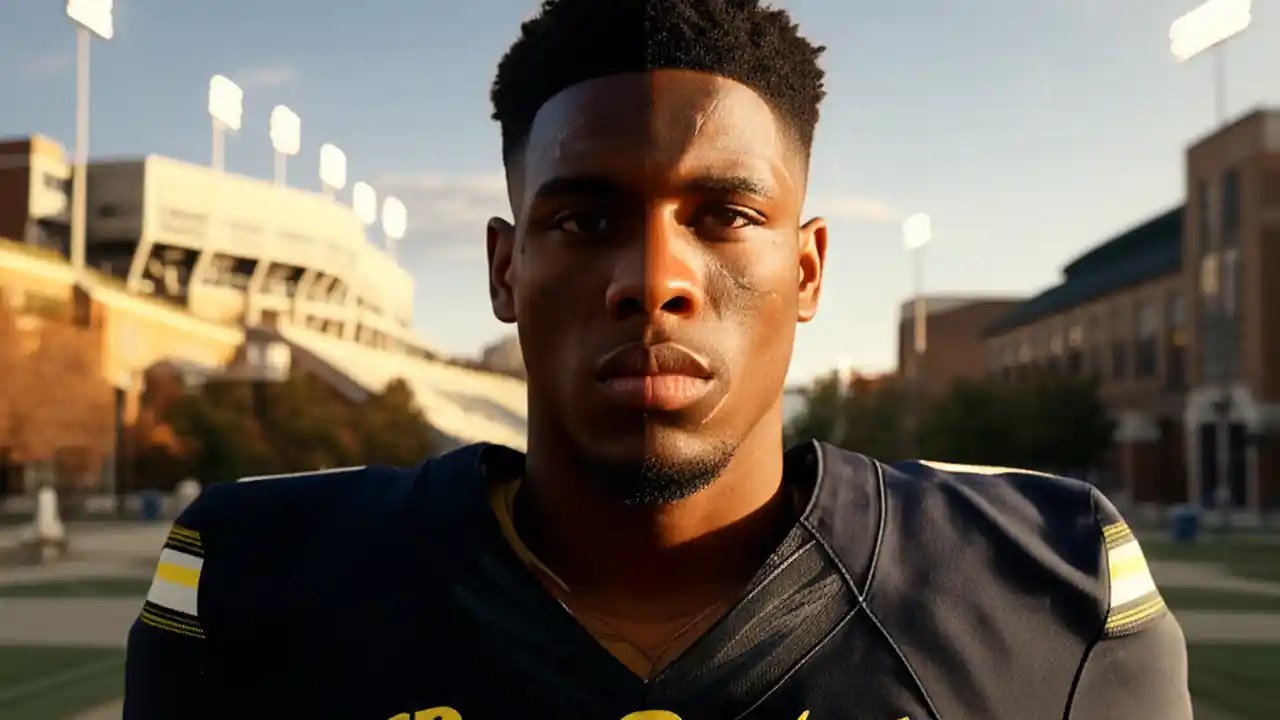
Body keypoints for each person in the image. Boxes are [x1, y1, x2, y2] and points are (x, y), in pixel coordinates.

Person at [124, 0, 1192, 718]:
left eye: (724, 214)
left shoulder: (1044, 592)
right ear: (504, 270)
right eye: (584, 220)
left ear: (808, 270)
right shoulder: (260, 590)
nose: (654, 277)